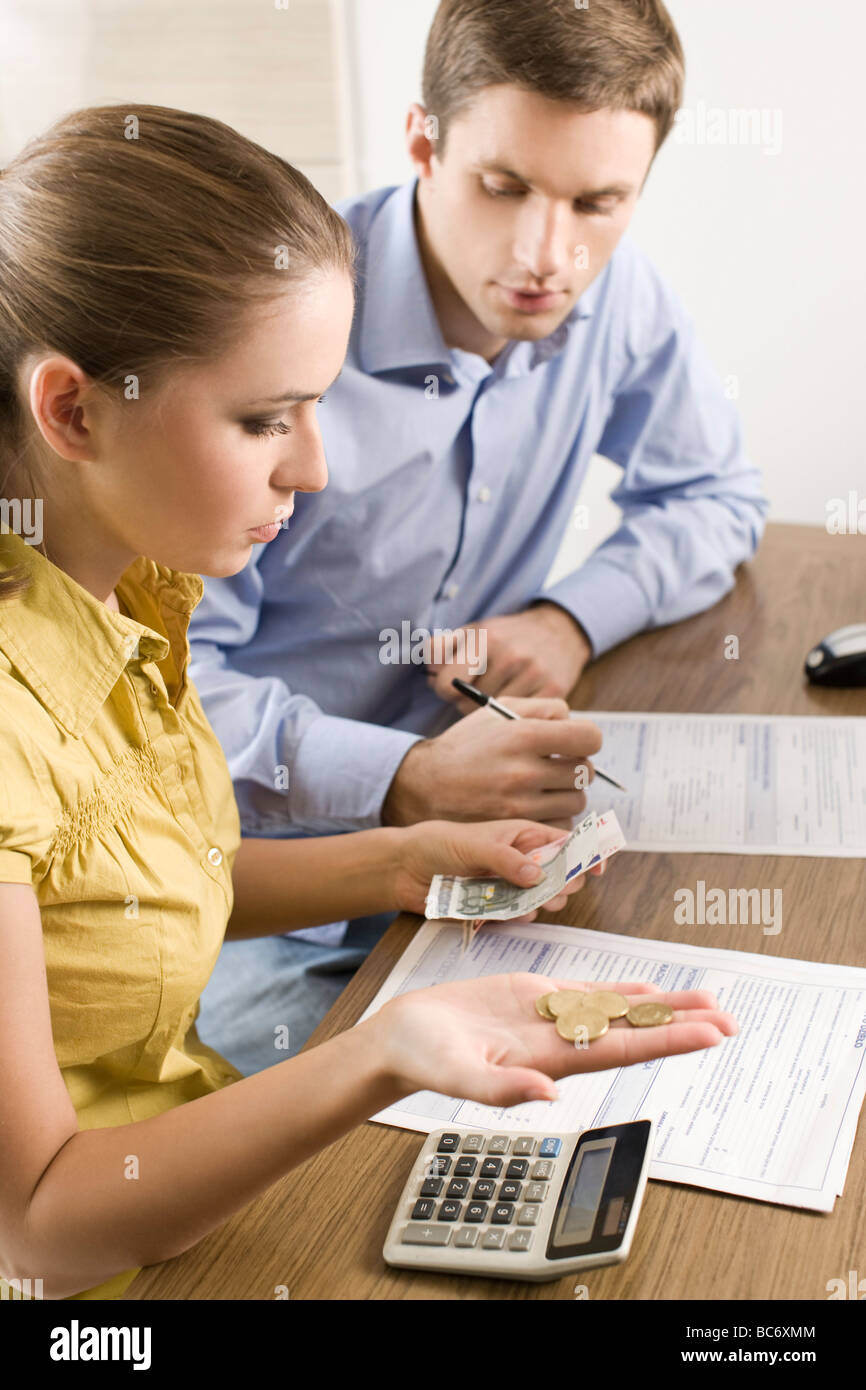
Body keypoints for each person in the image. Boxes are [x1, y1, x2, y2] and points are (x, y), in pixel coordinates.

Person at [0, 104, 737, 1302]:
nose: (315, 467)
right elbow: (40, 1220)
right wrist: (380, 1051)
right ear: (75, 410)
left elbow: (134, 886)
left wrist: (400, 861)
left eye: (316, 407)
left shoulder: (135, 588)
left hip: (187, 1193)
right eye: (262, 420)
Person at [189, 0, 768, 1071]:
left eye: (598, 202)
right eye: (503, 187)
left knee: (668, 1077)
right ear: (423, 140)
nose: (548, 255)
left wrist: (568, 618)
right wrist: (402, 775)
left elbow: (713, 495)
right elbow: (164, 681)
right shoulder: (275, 318)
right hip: (267, 895)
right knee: (292, 1200)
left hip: (503, 856)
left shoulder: (615, 295)